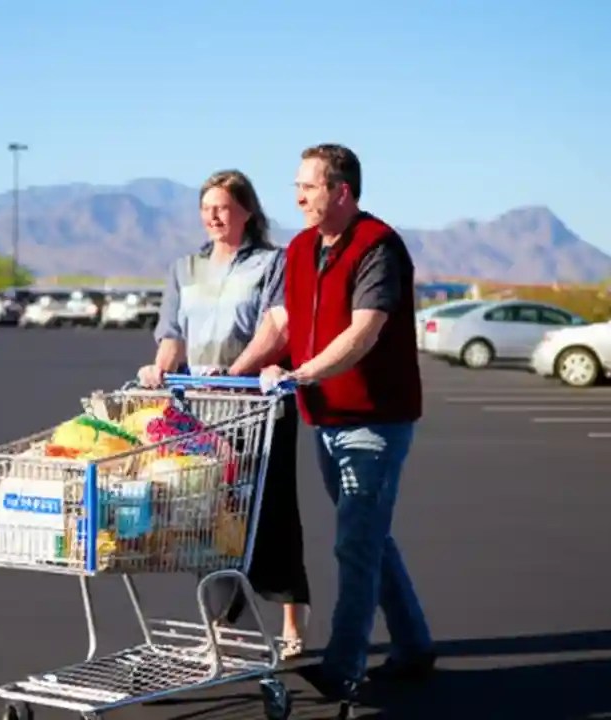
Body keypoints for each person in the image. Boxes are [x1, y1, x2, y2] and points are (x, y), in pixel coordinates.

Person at [229, 143, 436, 701]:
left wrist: (302, 375)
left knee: (355, 543)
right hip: (325, 417)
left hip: (375, 421)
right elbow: (280, 325)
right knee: (370, 539)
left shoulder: (378, 247)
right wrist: (232, 373)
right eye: (296, 184)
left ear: (341, 191)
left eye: (309, 186)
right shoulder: (298, 248)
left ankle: (344, 669)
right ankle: (414, 645)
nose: (297, 195)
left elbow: (364, 333)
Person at [137, 169, 311, 656]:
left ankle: (292, 623)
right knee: (208, 517)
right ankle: (221, 618)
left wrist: (236, 371)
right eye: (207, 208)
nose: (214, 216)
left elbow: (277, 328)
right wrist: (160, 369)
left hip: (258, 409)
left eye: (224, 207)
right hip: (203, 413)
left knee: (270, 514)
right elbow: (171, 334)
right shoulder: (184, 269)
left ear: (247, 212)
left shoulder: (272, 263)